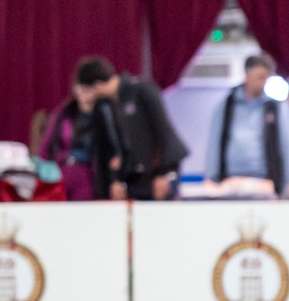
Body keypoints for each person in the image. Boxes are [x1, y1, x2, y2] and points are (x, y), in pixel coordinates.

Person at [75, 56, 185, 199]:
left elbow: (163, 132)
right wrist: (116, 179)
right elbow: (113, 147)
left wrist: (163, 173)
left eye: (86, 92)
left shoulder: (142, 90)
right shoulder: (106, 105)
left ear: (98, 85)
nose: (85, 98)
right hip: (134, 177)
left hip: (159, 174)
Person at [204, 54, 289, 194]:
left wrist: (287, 185)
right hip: (229, 181)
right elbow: (214, 141)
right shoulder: (226, 105)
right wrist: (212, 177)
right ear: (247, 75)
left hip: (266, 182)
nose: (263, 83)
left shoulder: (277, 107)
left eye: (266, 78)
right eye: (259, 77)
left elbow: (288, 146)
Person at [41, 71, 120, 201]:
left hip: (90, 176)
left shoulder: (104, 114)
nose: (84, 91)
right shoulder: (64, 113)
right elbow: (46, 146)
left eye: (88, 87)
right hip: (61, 172)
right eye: (81, 86)